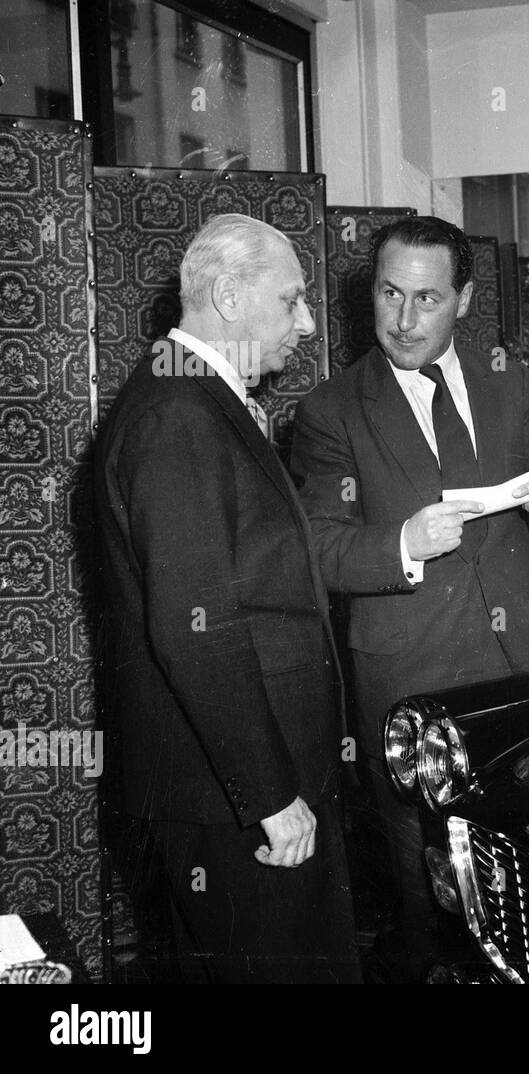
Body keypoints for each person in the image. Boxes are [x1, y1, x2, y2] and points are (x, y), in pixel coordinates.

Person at [290, 216, 529, 977]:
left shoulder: (507, 382)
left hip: (523, 667)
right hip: (411, 685)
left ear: (463, 299)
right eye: (390, 294)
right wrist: (402, 545)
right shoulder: (331, 410)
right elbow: (319, 548)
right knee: (435, 891)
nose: (403, 320)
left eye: (427, 299)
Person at [93, 213, 360, 983]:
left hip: (243, 782)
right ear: (230, 296)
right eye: (293, 300)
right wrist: (271, 796)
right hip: (237, 797)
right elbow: (194, 628)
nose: (308, 324)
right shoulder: (179, 414)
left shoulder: (198, 396)